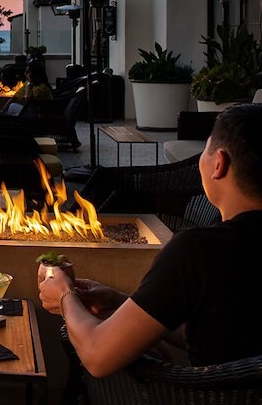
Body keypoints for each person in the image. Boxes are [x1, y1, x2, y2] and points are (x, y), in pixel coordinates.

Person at [39, 104, 262, 376]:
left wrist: (64, 294)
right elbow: (228, 334)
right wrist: (123, 301)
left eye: (204, 149)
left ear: (219, 164)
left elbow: (97, 356)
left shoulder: (198, 251)